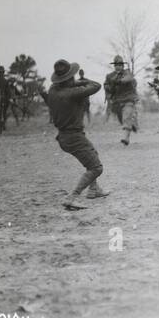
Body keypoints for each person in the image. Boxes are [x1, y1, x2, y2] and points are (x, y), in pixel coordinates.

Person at [39, 58, 109, 210]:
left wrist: (72, 82)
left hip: (65, 137)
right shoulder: (71, 93)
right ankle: (72, 197)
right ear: (69, 79)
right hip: (73, 137)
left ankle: (94, 189)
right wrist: (81, 81)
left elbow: (60, 87)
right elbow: (96, 86)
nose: (74, 77)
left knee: (92, 155)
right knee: (96, 168)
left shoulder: (53, 90)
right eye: (72, 76)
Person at [103, 55, 140, 145]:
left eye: (120, 65)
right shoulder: (110, 76)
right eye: (116, 65)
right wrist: (109, 87)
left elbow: (129, 78)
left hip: (128, 99)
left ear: (123, 66)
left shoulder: (127, 72)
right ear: (114, 66)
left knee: (126, 117)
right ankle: (133, 124)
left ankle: (126, 138)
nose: (118, 66)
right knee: (122, 120)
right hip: (117, 102)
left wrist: (119, 81)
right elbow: (106, 86)